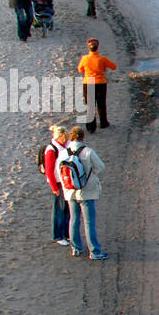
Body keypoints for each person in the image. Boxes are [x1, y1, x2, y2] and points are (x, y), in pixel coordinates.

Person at [60, 126, 107, 259]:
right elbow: (100, 167)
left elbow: (59, 171)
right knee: (89, 222)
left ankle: (75, 248)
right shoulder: (88, 151)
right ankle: (94, 251)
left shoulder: (64, 153)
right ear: (82, 137)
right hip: (87, 191)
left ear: (71, 137)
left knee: (73, 220)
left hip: (70, 191)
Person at [77, 37, 117, 129]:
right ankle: (103, 123)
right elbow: (114, 67)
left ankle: (91, 126)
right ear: (97, 47)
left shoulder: (85, 58)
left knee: (90, 105)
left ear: (88, 47)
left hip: (89, 81)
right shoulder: (102, 59)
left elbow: (80, 69)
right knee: (101, 104)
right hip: (101, 82)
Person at [43, 125, 72, 246]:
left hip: (65, 181)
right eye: (64, 137)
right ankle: (58, 235)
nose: (66, 139)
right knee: (59, 209)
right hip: (58, 183)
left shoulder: (64, 145)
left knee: (67, 208)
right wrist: (54, 188)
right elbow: (49, 171)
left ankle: (66, 233)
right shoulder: (51, 150)